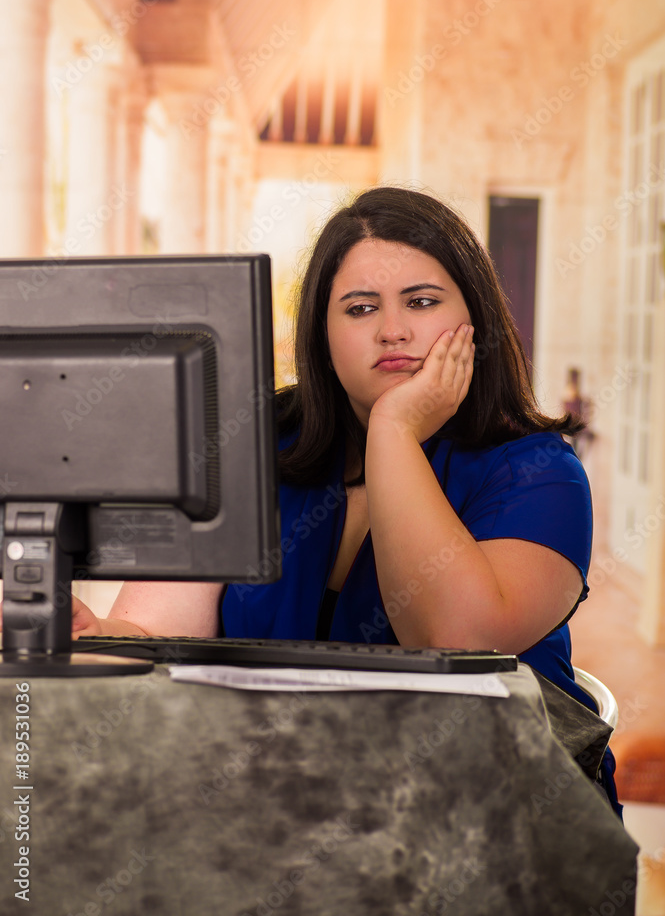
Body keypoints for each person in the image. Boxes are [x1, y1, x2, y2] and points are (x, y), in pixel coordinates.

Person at [70, 185, 620, 813]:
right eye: (359, 309)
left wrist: (394, 430)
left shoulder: (538, 472)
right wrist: (98, 631)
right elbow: (153, 633)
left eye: (421, 301)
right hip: (277, 804)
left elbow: (456, 642)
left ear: (474, 321)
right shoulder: (252, 444)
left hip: (484, 819)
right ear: (323, 335)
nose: (393, 330)